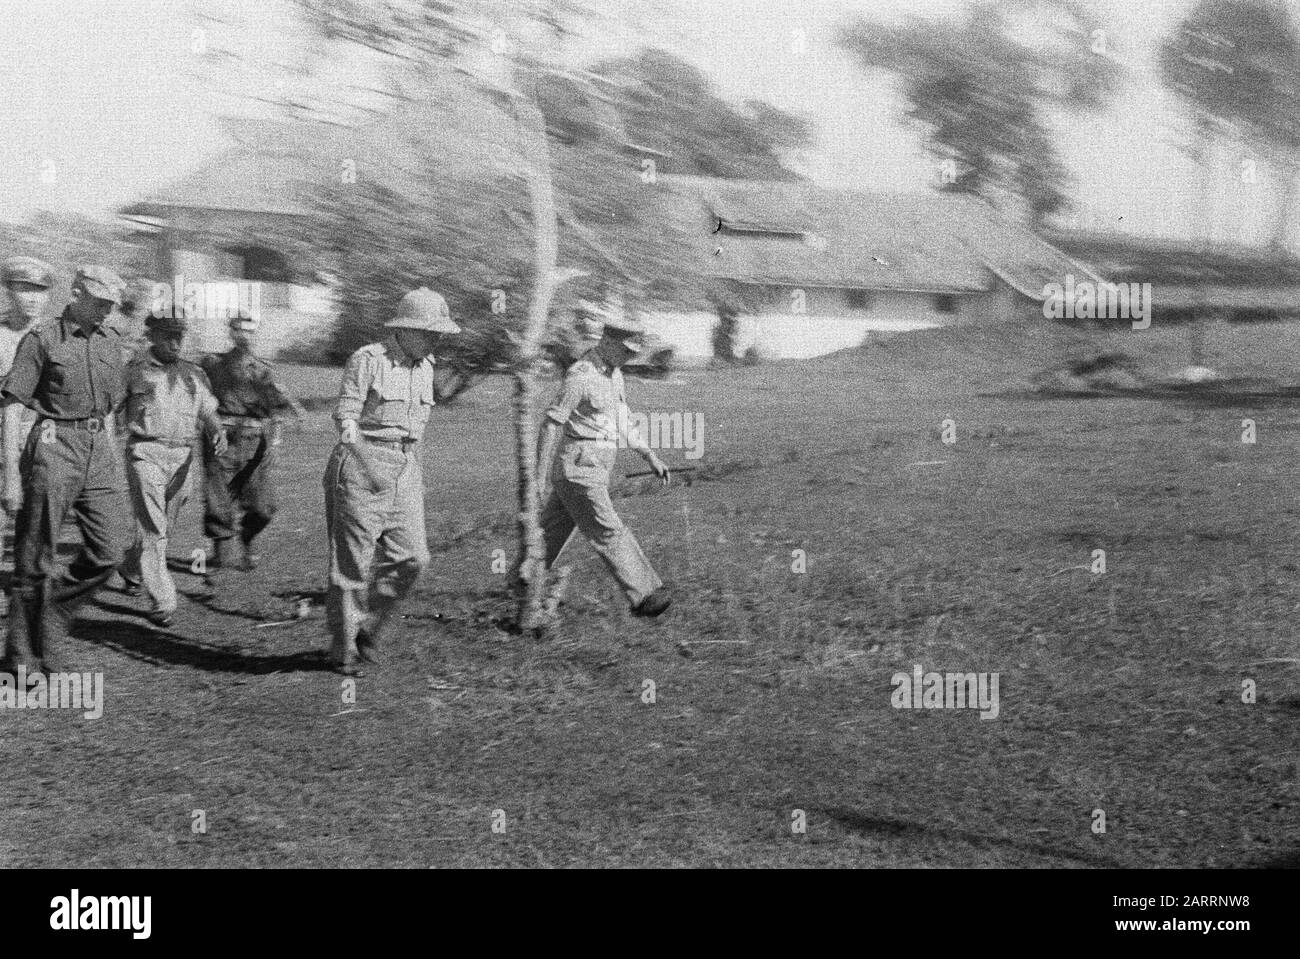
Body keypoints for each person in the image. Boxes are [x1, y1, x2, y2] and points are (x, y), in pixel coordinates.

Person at [0, 266, 130, 672]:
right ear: (75, 295)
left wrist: (110, 464)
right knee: (35, 556)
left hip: (98, 449)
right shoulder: (42, 340)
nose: (107, 311)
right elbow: (12, 407)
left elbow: (109, 410)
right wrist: (10, 477)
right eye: (100, 303)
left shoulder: (112, 342)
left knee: (111, 550)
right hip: (54, 446)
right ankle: (22, 656)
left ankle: (53, 614)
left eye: (112, 305)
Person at [324, 287, 458, 676]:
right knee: (352, 564)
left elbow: (417, 430)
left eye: (439, 334)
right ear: (405, 328)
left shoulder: (427, 366)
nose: (436, 340)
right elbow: (346, 422)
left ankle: (367, 627)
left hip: (404, 467)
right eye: (430, 332)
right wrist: (370, 466)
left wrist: (411, 473)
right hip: (361, 465)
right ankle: (343, 648)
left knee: (414, 557)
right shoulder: (368, 360)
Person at [522, 316, 672, 619]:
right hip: (578, 466)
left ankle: (520, 584)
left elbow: (623, 422)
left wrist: (650, 457)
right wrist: (538, 479)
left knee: (551, 532)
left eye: (632, 353)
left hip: (596, 465)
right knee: (607, 528)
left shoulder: (614, 375)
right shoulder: (581, 375)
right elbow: (551, 424)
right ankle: (644, 595)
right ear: (606, 342)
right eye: (625, 351)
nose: (629, 357)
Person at [119, 312, 227, 627]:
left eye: (181, 336)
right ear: (152, 336)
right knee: (154, 528)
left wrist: (217, 431)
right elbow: (110, 411)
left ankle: (130, 569)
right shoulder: (134, 372)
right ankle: (162, 601)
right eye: (169, 336)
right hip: (145, 452)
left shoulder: (195, 374)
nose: (176, 342)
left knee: (162, 526)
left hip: (182, 457)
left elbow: (208, 411)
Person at [199, 316, 300, 571]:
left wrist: (275, 443)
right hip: (220, 437)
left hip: (253, 441)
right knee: (218, 497)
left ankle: (247, 538)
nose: (245, 336)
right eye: (239, 330)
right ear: (231, 334)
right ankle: (221, 550)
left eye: (250, 331)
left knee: (263, 507)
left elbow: (277, 410)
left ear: (256, 335)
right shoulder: (213, 365)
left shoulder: (263, 371)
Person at [0, 256, 53, 614]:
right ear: (8, 290)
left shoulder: (53, 336)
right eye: (23, 289)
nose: (31, 298)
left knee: (35, 527)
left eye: (39, 290)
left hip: (40, 442)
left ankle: (24, 598)